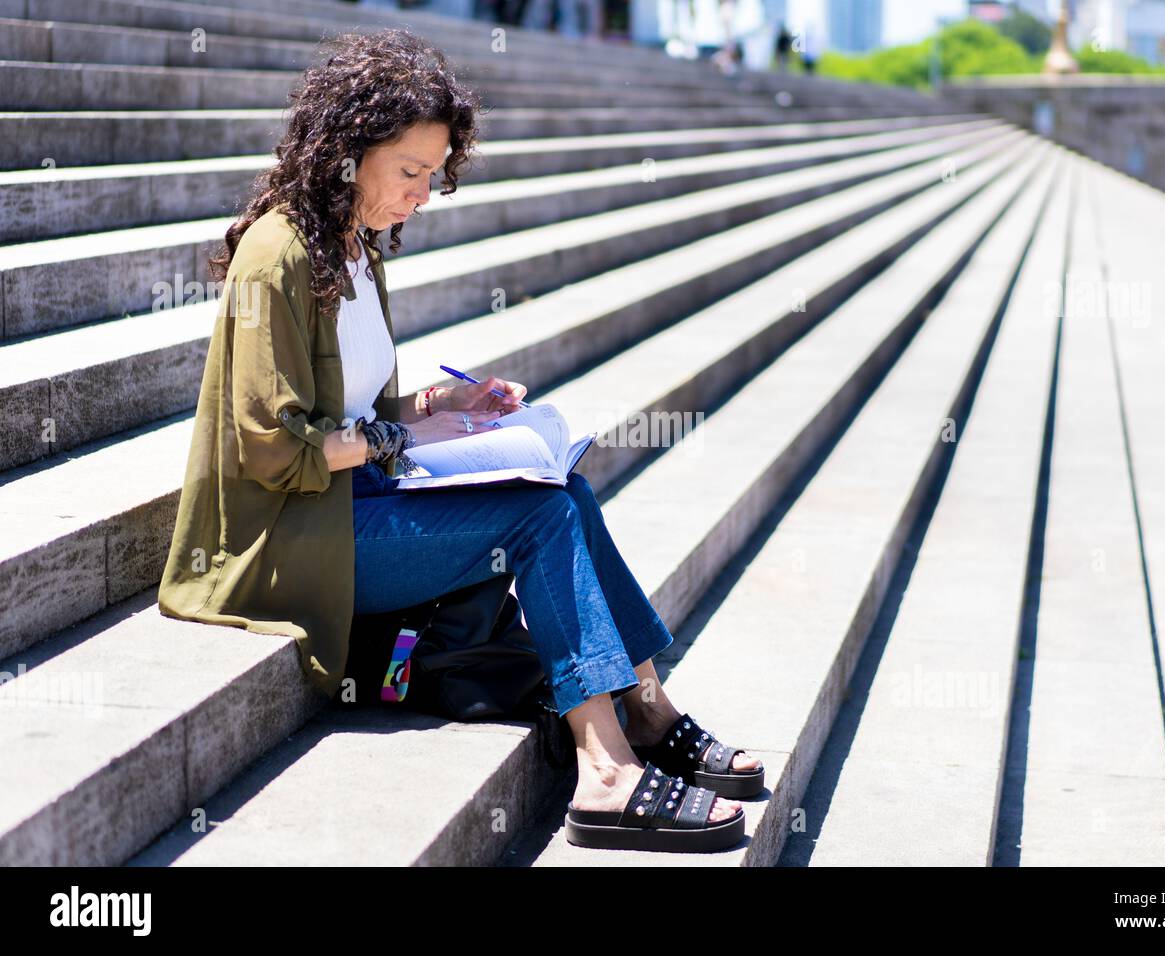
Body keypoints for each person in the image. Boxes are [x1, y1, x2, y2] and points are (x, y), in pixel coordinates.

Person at [156, 28, 762, 853]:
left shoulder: (355, 244)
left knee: (566, 489)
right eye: (409, 171)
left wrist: (449, 406)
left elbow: (362, 404)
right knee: (540, 517)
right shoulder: (276, 258)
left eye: (434, 175)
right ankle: (611, 773)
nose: (423, 193)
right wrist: (390, 445)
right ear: (346, 151)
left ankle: (648, 705)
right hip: (291, 538)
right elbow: (277, 449)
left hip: (352, 500)